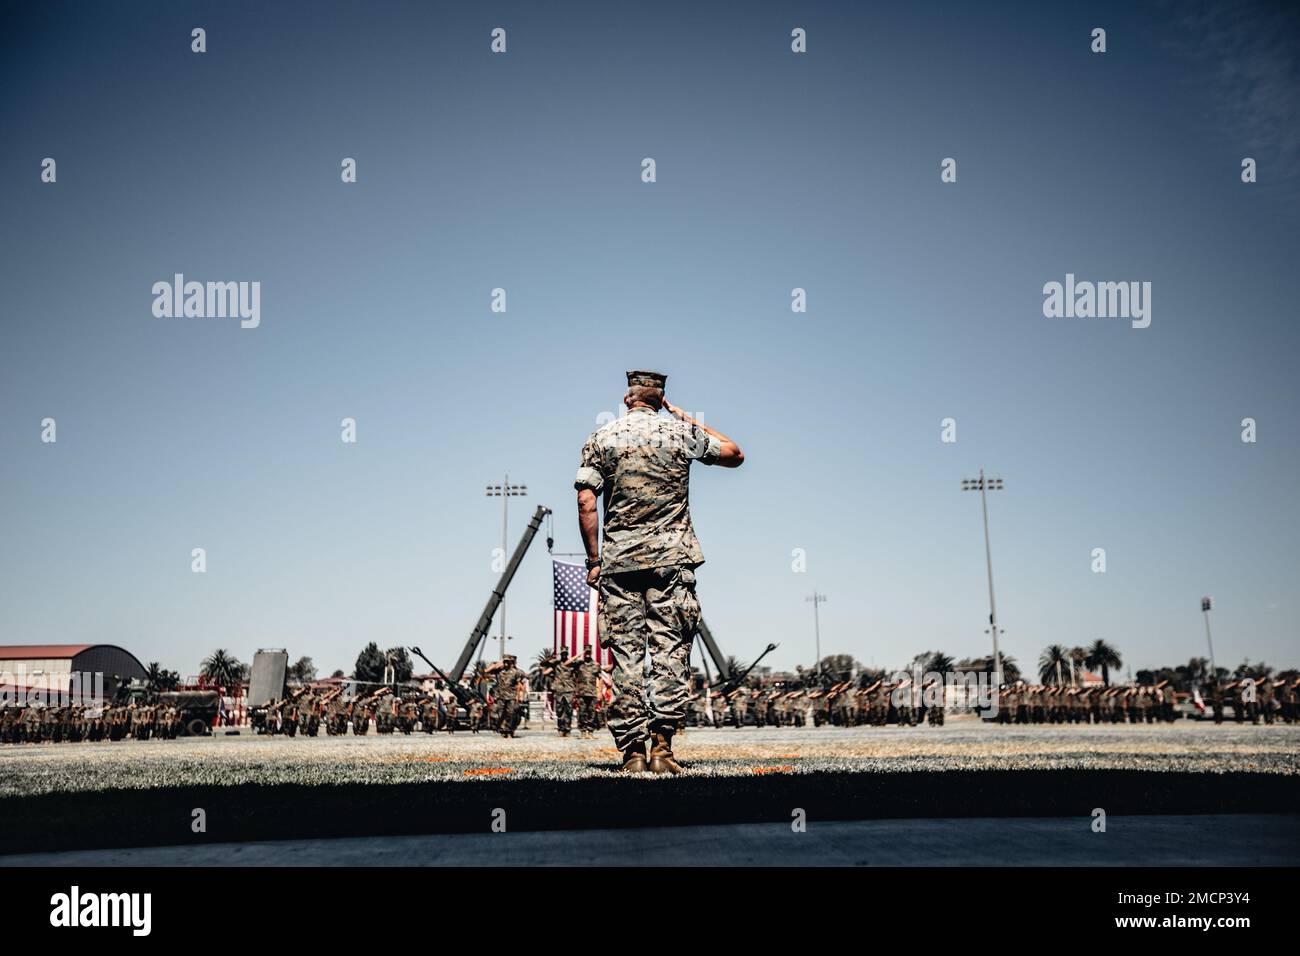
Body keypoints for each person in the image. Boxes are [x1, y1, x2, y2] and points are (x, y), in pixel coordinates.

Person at [574, 370, 743, 773]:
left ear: (627, 397)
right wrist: (686, 417)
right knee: (670, 654)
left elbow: (585, 501)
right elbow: (734, 454)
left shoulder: (603, 437)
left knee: (626, 657)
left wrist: (595, 561)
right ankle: (663, 750)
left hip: (620, 565)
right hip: (671, 561)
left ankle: (632, 753)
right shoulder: (678, 432)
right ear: (660, 398)